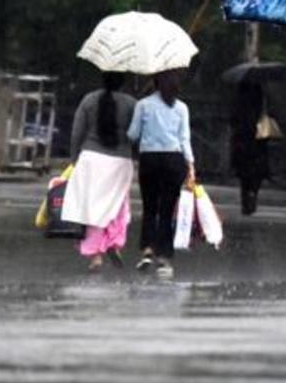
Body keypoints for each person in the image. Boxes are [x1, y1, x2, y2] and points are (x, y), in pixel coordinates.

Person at [62, 72, 139, 271]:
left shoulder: (89, 100)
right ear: (123, 81)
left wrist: (74, 159)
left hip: (91, 159)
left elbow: (77, 132)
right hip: (120, 161)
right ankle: (114, 241)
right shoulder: (132, 104)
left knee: (91, 208)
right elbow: (137, 134)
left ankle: (95, 255)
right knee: (117, 205)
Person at [127, 69, 196, 279]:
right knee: (166, 209)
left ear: (155, 82)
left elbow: (133, 134)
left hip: (149, 159)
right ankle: (164, 257)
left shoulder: (143, 105)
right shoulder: (182, 108)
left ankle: (147, 250)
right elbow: (184, 139)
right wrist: (191, 165)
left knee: (149, 207)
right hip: (174, 160)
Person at [229, 79, 274, 215]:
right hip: (257, 139)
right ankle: (253, 194)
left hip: (242, 139)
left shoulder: (238, 98)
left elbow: (232, 118)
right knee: (256, 172)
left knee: (244, 174)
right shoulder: (260, 96)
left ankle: (246, 199)